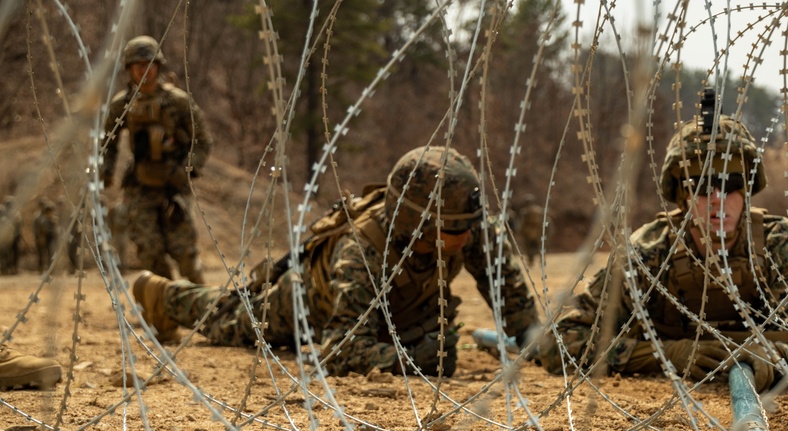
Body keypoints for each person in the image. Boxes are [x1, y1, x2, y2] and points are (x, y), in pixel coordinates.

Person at [132, 145, 539, 377]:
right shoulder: (363, 251)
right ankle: (164, 296)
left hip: (394, 312)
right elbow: (340, 349)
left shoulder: (468, 225)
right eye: (453, 229)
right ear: (417, 224)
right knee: (229, 319)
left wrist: (539, 342)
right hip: (308, 301)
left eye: (470, 225)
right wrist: (411, 360)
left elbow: (515, 307)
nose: (467, 236)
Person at [537, 95, 788, 392]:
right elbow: (560, 343)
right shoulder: (648, 253)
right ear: (682, 195)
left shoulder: (779, 245)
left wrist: (770, 361)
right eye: (702, 185)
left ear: (747, 189)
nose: (717, 199)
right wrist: (666, 355)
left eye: (730, 184)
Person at [101, 35, 213, 283]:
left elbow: (203, 140)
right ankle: (167, 302)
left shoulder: (178, 101)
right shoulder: (122, 105)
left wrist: (187, 169)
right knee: (150, 253)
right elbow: (107, 142)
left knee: (185, 254)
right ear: (129, 68)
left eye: (149, 64)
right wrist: (106, 171)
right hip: (141, 185)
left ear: (158, 66)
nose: (144, 70)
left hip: (174, 186)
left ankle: (201, 303)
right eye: (138, 65)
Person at [515, 194, 544, 268]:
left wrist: (521, 231)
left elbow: (523, 222)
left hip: (528, 231)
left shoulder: (524, 211)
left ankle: (531, 261)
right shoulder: (540, 210)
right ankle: (542, 260)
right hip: (538, 230)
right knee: (539, 246)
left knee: (529, 247)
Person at [32, 198, 59, 272]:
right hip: (43, 237)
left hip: (52, 238)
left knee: (51, 253)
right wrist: (40, 237)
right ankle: (41, 268)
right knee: (41, 253)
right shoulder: (40, 218)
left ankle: (51, 267)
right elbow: (39, 229)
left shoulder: (53, 218)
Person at [0, 196, 23, 276]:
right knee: (6, 253)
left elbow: (19, 225)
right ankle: (6, 268)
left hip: (13, 236)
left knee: (13, 253)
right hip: (7, 237)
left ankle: (12, 268)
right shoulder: (3, 213)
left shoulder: (15, 213)